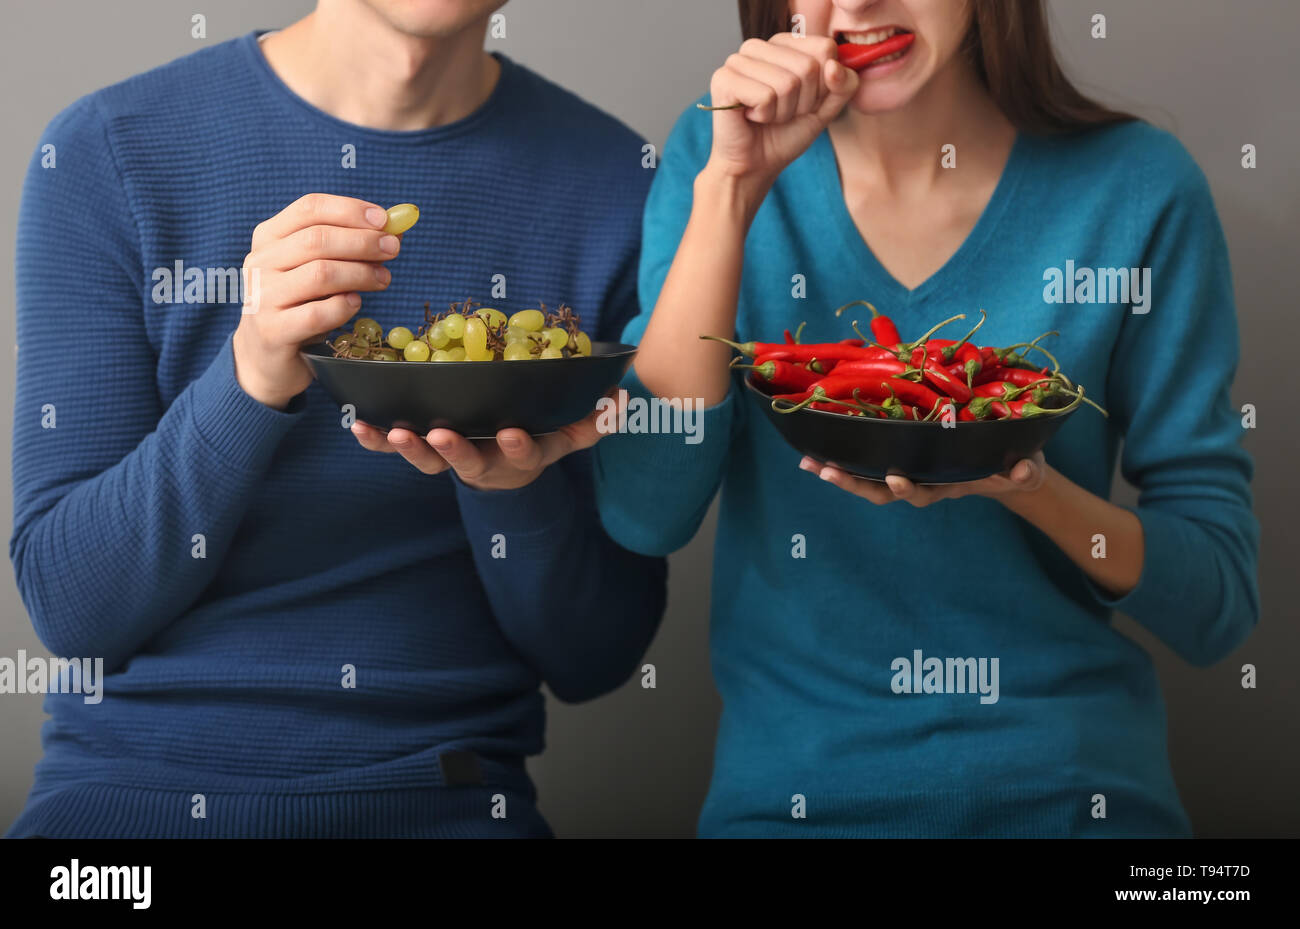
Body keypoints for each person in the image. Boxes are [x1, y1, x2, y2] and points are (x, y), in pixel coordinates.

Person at [594, 0, 1259, 837]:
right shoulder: (712, 152)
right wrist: (732, 191)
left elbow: (1217, 605)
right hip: (795, 803)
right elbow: (644, 513)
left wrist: (1029, 488)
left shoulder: (1136, 186)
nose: (862, 3)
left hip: (1076, 798)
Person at [8, 0, 665, 838]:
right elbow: (72, 610)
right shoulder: (107, 149)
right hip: (128, 798)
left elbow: (596, 658)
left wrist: (512, 488)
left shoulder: (619, 184)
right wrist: (247, 378)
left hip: (447, 797)